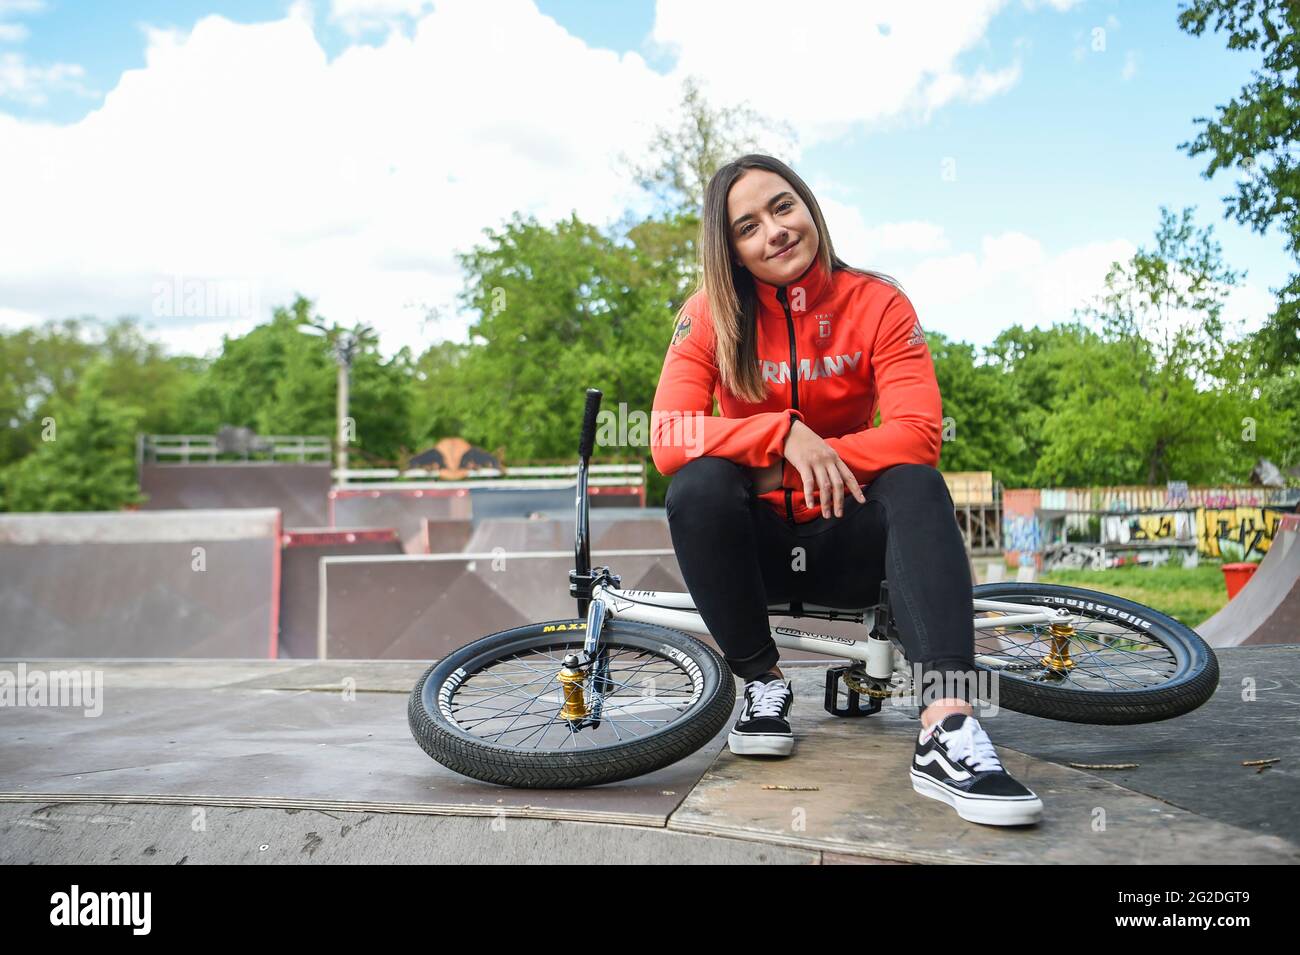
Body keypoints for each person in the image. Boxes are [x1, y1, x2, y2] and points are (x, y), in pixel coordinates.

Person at [649, 154, 1042, 827]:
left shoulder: (877, 302)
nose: (773, 231)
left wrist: (807, 459)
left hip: (851, 541)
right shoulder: (707, 316)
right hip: (756, 552)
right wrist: (780, 434)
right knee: (699, 483)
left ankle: (947, 728)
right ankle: (762, 684)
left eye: (782, 206)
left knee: (916, 484)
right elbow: (668, 437)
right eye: (747, 227)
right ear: (733, 252)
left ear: (808, 206)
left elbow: (917, 434)